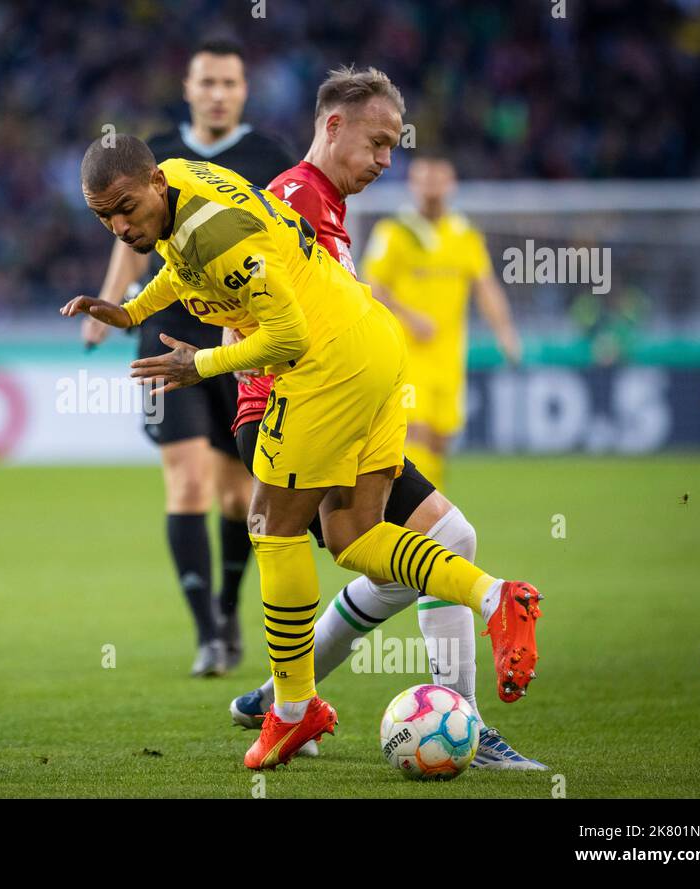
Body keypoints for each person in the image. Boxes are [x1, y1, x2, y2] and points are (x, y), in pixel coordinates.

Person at [62, 136, 543, 770]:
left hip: (325, 370)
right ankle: (495, 597)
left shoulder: (219, 235)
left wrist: (197, 363)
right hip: (376, 349)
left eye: (125, 208)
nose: (120, 226)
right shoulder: (179, 180)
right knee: (354, 537)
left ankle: (292, 711)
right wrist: (130, 312)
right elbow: (184, 267)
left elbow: (284, 332)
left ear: (152, 181)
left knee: (270, 524)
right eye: (105, 217)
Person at [227, 67, 542, 769]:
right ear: (332, 127)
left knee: (437, 540)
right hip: (297, 416)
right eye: (377, 144)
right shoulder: (294, 198)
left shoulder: (325, 205)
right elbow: (247, 300)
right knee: (402, 544)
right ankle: (434, 707)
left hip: (339, 410)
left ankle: (287, 692)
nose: (385, 162)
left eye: (394, 148)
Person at [81, 38, 295, 677]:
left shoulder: (268, 156)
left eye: (230, 82)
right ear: (189, 87)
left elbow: (284, 234)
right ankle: (207, 634)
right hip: (161, 332)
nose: (218, 93)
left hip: (239, 340)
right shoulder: (153, 154)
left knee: (239, 496)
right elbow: (132, 241)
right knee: (188, 481)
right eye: (208, 82)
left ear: (243, 89)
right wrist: (115, 304)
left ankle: (227, 609)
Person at [361, 156, 521, 490]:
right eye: (424, 180)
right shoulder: (394, 232)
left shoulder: (464, 235)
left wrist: (505, 332)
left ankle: (430, 516)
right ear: (412, 184)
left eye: (438, 180)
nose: (431, 188)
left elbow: (485, 286)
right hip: (406, 355)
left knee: (440, 441)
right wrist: (409, 316)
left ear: (451, 184)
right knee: (413, 433)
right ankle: (415, 518)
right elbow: (371, 284)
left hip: (448, 356)